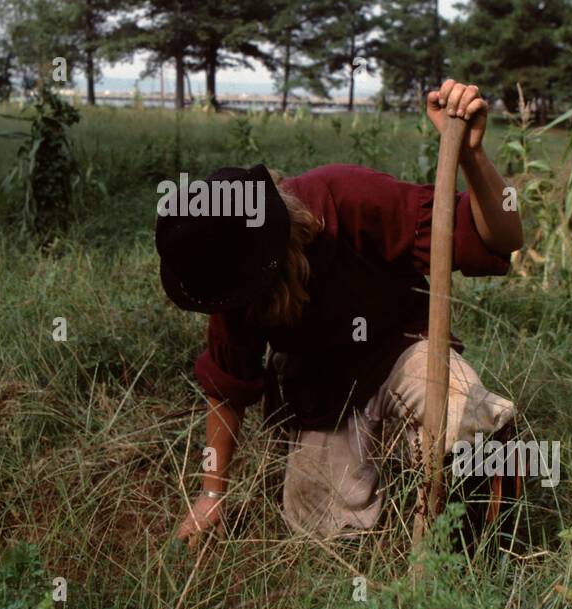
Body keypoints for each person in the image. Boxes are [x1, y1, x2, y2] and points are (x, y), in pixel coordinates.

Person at [155, 81, 524, 549]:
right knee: (320, 531)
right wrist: (211, 494)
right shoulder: (230, 282)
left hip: (403, 351)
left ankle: (473, 546)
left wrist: (472, 156)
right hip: (322, 392)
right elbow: (227, 389)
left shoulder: (349, 197)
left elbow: (504, 237)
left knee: (470, 419)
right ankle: (390, 476)